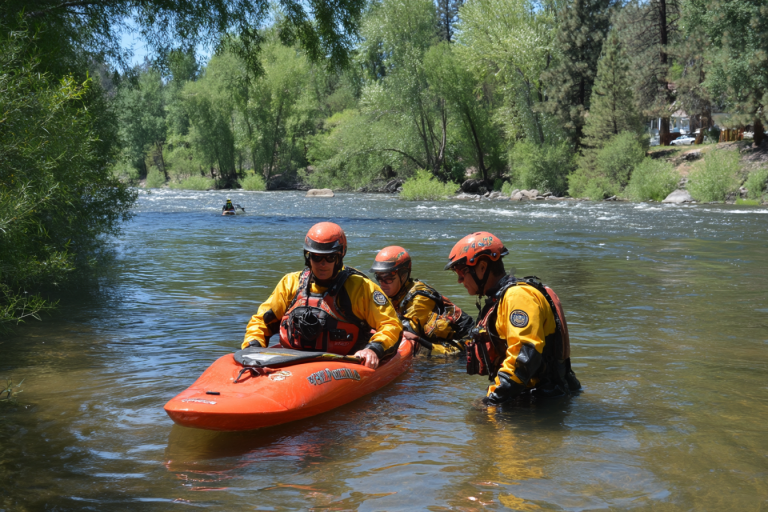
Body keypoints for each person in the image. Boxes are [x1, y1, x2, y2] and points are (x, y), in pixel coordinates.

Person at [444, 232, 580, 405]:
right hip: (532, 396)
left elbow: (525, 356)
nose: (459, 280)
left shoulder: (518, 297)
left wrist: (492, 400)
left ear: (482, 267)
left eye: (461, 272)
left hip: (542, 401)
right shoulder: (501, 298)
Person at [242, 222, 402, 369]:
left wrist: (374, 350)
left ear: (340, 256)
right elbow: (261, 321)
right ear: (308, 257)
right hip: (292, 363)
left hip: (344, 364)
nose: (322, 263)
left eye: (330, 257)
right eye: (316, 257)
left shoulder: (361, 288)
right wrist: (253, 346)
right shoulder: (290, 284)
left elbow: (391, 325)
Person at [370, 246, 473, 356]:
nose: (382, 283)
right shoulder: (394, 295)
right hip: (437, 344)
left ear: (403, 275)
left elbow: (406, 330)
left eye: (387, 277)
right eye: (379, 277)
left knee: (416, 348)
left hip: (463, 348)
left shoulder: (420, 297)